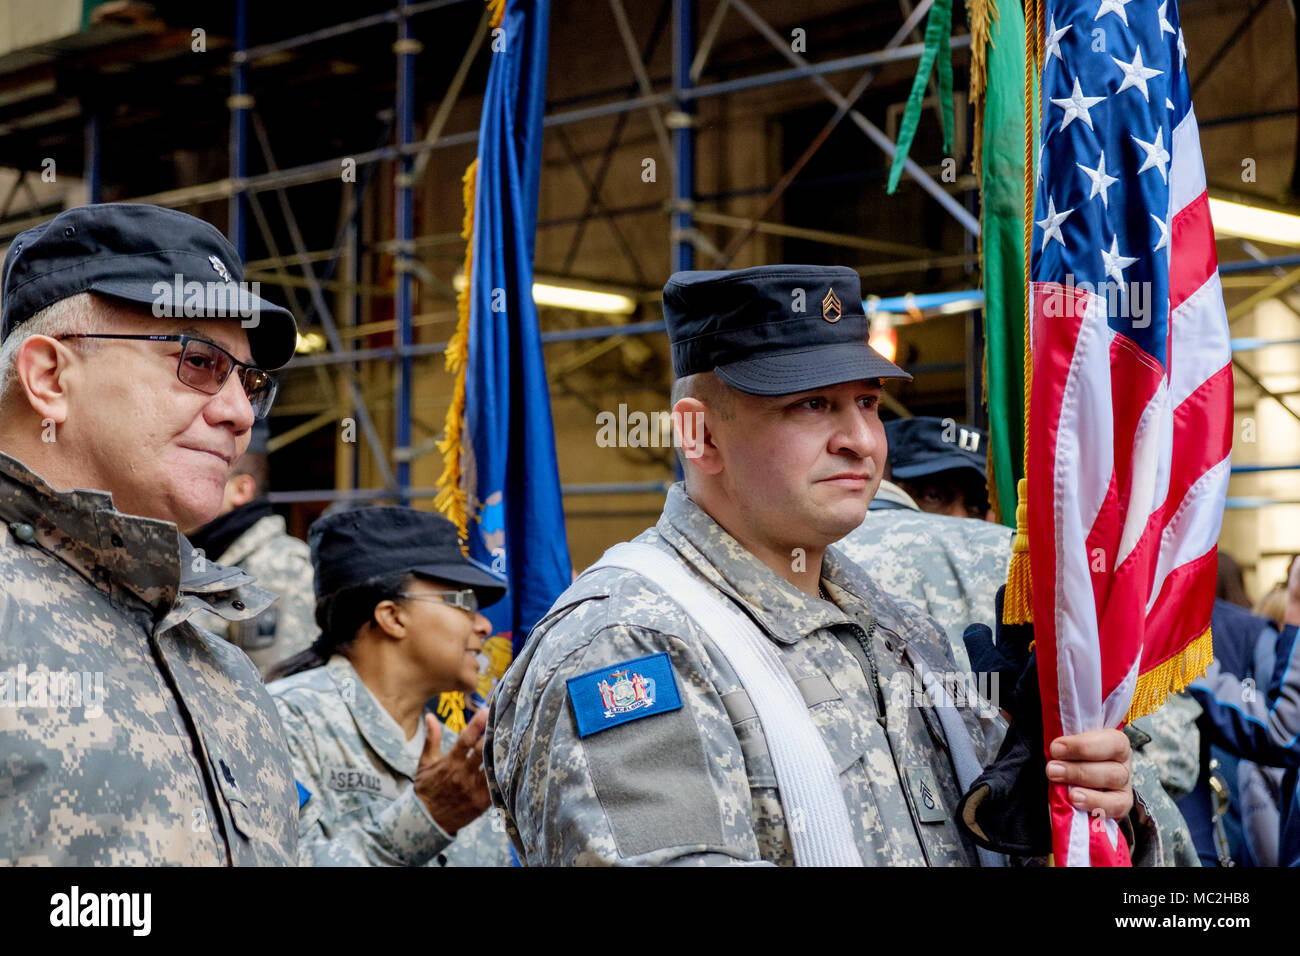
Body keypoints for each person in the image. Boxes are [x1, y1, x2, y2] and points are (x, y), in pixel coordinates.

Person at [487, 264, 1150, 866]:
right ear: (701, 434)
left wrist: (1077, 818)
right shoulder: (627, 648)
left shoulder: (902, 634)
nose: (861, 440)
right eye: (811, 404)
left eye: (866, 402)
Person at [0, 202, 300, 864]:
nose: (240, 414)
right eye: (198, 361)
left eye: (250, 382)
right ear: (50, 378)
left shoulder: (223, 668)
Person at [266, 506, 512, 866]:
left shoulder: (455, 758)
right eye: (462, 601)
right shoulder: (280, 721)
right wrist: (427, 819)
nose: (484, 626)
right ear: (392, 617)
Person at [836, 417, 1013, 673]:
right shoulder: (837, 544)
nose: (959, 518)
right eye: (934, 496)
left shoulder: (1002, 556)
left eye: (975, 505)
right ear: (884, 479)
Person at [187, 420, 316, 678]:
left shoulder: (277, 566)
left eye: (195, 476)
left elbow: (273, 691)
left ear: (241, 490)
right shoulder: (203, 557)